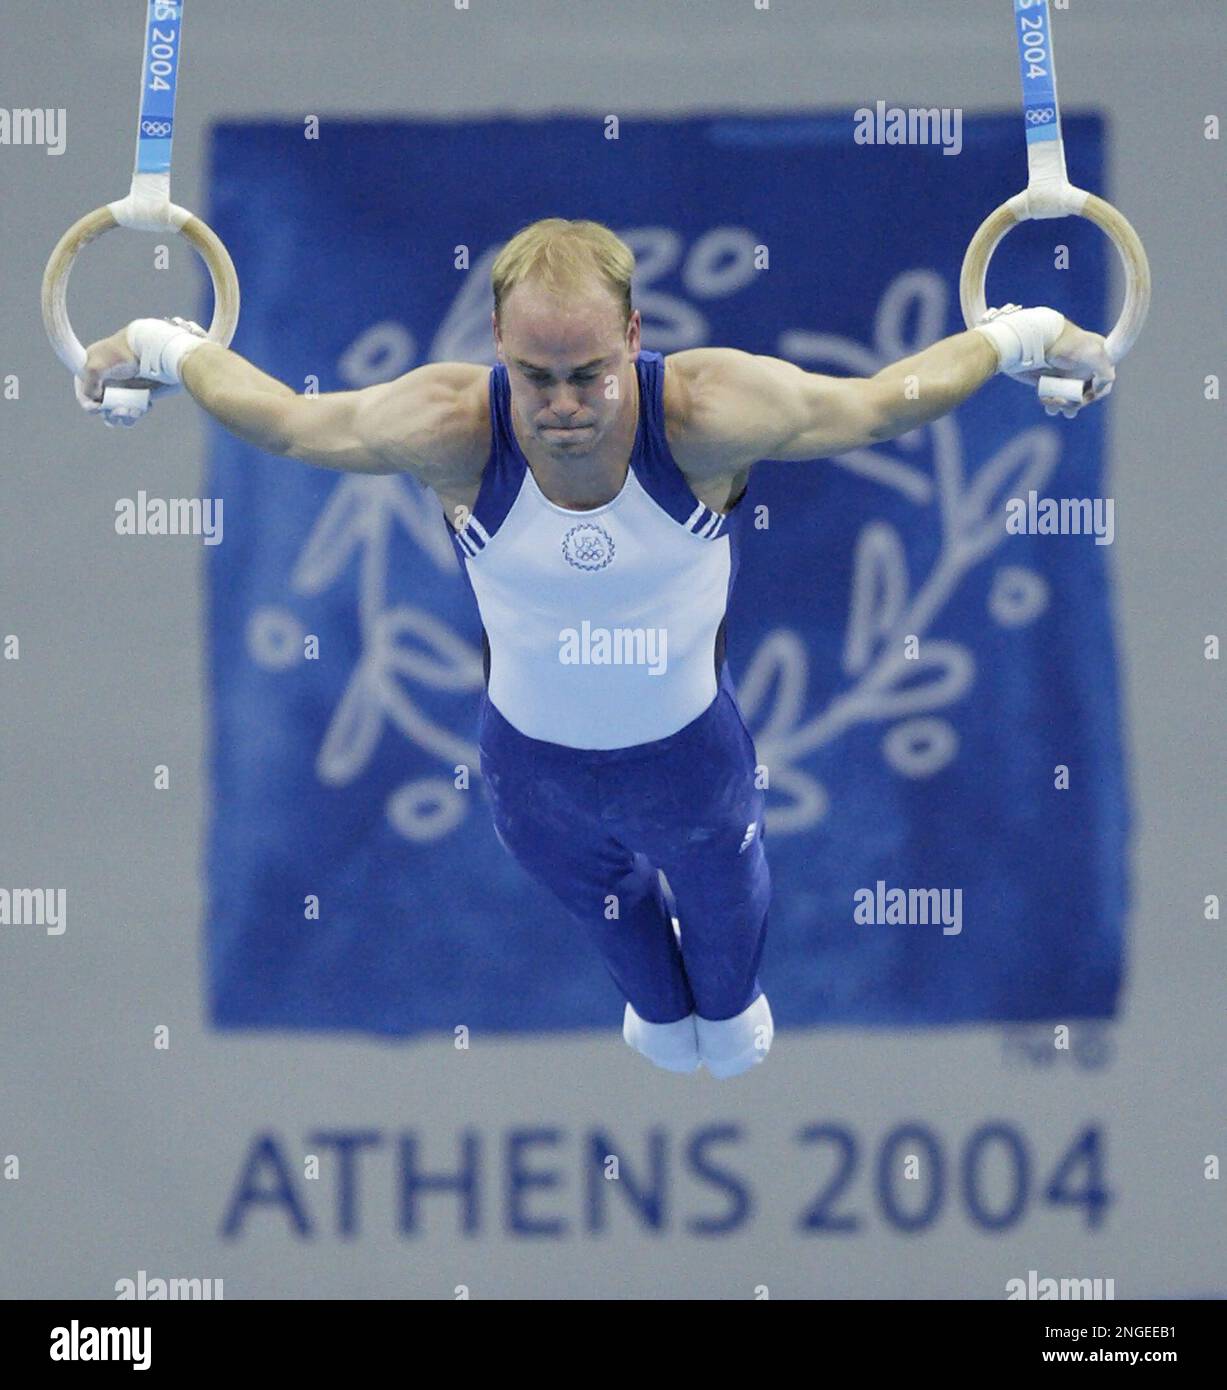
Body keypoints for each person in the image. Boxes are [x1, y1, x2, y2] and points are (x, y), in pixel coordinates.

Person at [77, 217, 1116, 1077]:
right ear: (495, 343)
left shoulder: (705, 413)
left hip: (691, 766)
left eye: (589, 373)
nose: (565, 405)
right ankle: (663, 1019)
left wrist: (1019, 338)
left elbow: (882, 406)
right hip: (531, 778)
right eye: (535, 376)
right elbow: (291, 426)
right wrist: (168, 350)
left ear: (634, 334)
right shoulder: (449, 426)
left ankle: (715, 1011)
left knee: (726, 983)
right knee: (647, 991)